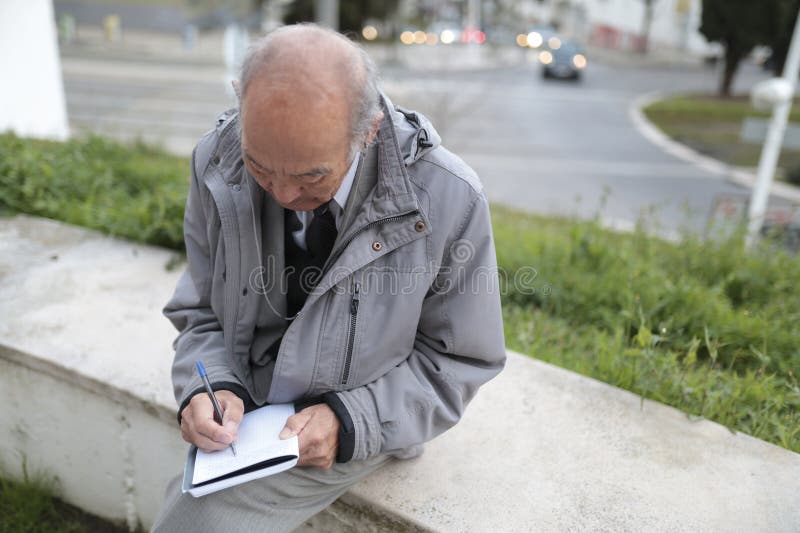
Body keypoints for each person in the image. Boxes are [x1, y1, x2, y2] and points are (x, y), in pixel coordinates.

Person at [152, 23, 506, 532]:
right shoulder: (217, 157)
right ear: (240, 101)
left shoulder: (450, 198)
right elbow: (201, 307)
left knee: (194, 523)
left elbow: (460, 359)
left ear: (370, 128)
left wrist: (348, 422)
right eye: (259, 166)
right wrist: (208, 385)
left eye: (311, 176)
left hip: (363, 412)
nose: (281, 194)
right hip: (250, 405)